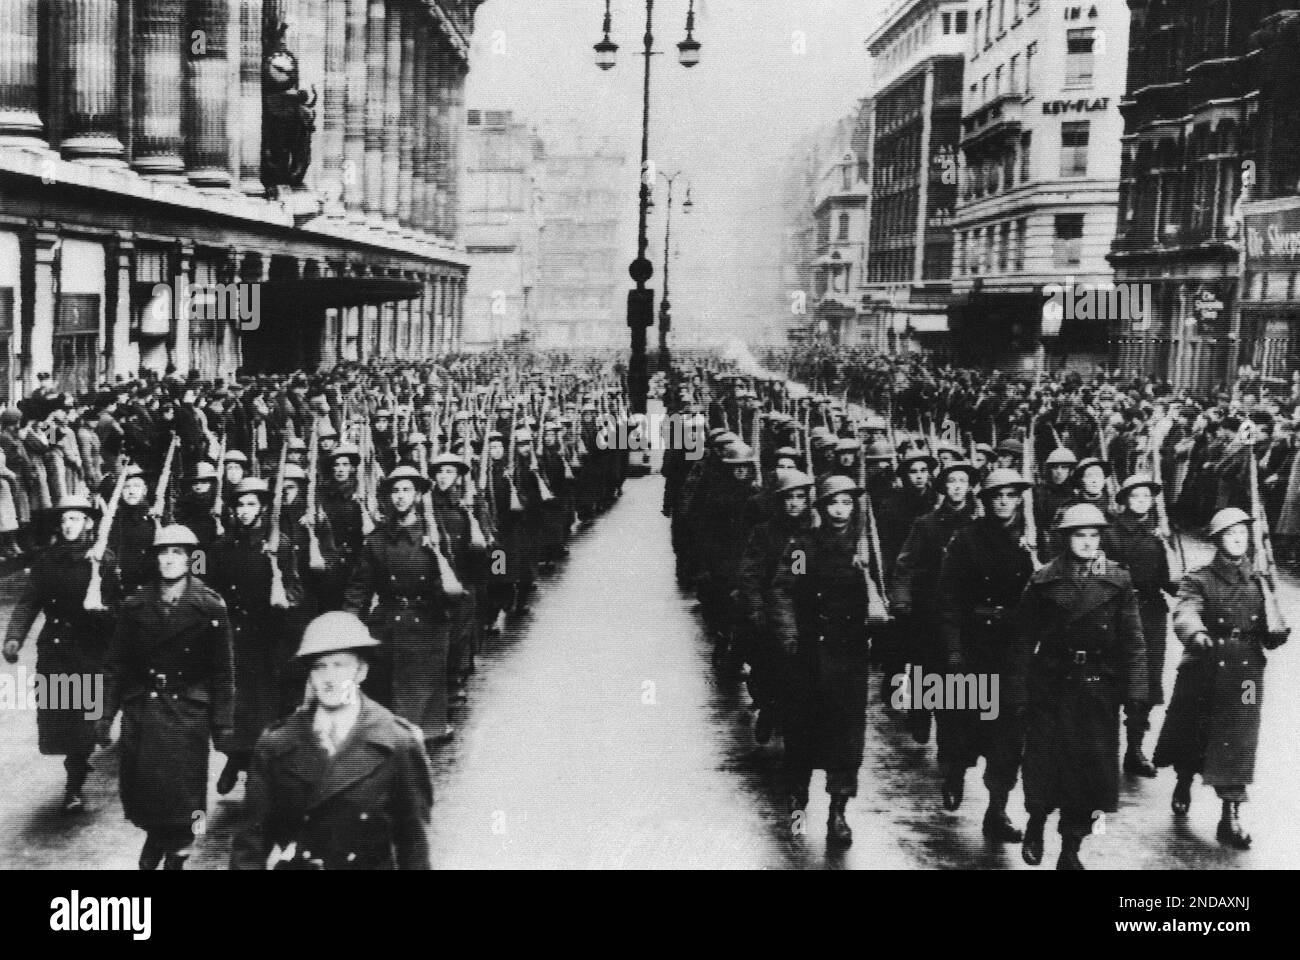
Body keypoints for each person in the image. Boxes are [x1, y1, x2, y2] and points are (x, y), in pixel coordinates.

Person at [230, 611, 434, 870]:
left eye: (340, 665)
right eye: (320, 666)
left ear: (361, 671)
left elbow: (414, 845)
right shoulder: (277, 744)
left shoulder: (396, 743)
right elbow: (250, 843)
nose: (329, 678)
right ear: (310, 677)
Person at [1012, 505, 1148, 870]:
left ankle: (1071, 845)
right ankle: (1036, 821)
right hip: (1052, 684)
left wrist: (1136, 693)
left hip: (1098, 687)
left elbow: (1133, 642)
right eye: (1079, 535)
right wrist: (1019, 691)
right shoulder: (1043, 581)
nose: (1088, 543)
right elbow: (1023, 639)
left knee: (1090, 771)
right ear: (1065, 539)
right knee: (1043, 762)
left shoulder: (1118, 581)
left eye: (1094, 535)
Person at [97, 524, 235, 869]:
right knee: (142, 790)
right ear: (155, 558)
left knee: (183, 793)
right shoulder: (135, 606)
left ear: (190, 559)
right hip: (144, 708)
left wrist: (222, 724)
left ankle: (177, 851)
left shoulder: (210, 607)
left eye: (178, 553)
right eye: (163, 552)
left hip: (187, 711)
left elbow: (223, 672)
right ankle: (156, 837)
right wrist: (104, 714)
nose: (170, 559)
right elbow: (116, 665)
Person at [1153, 507, 1289, 849]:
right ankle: (1184, 780)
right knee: (1193, 730)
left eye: (1243, 533)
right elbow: (1185, 610)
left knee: (1240, 736)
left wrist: (1277, 629)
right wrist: (1195, 634)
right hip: (1206, 664)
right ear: (1217, 541)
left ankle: (1230, 815)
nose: (1238, 540)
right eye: (1231, 534)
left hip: (1246, 675)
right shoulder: (1199, 578)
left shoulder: (1259, 578)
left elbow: (1273, 625)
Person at [933, 468, 1036, 836]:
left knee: (1008, 736)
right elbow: (947, 599)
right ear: (986, 501)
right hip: (971, 645)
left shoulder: (1031, 542)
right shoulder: (965, 540)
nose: (1005, 501)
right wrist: (954, 649)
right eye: (998, 496)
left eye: (1012, 495)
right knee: (959, 722)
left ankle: (997, 811)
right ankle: (954, 774)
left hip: (1011, 650)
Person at [3, 495, 121, 812]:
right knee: (61, 722)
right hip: (56, 650)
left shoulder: (103, 560)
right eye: (65, 519)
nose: (69, 525)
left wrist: (103, 611)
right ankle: (77, 767)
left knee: (84, 725)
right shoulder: (46, 560)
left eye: (76, 519)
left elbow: (119, 609)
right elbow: (29, 601)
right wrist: (14, 637)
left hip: (91, 649)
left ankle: (74, 783)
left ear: (88, 523)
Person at [772, 474, 871, 845]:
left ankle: (838, 812)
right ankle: (798, 802)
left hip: (850, 655)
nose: (841, 510)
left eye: (847, 503)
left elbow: (886, 593)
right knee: (801, 732)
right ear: (822, 508)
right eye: (834, 503)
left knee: (847, 736)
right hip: (809, 655)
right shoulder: (804, 548)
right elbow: (783, 590)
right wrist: (789, 635)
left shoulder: (865, 547)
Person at [344, 464, 453, 748]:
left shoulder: (435, 535)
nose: (400, 496)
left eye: (407, 490)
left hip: (426, 625)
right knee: (386, 705)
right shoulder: (377, 540)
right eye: (395, 490)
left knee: (418, 710)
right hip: (388, 626)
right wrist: (349, 622)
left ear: (417, 495)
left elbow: (453, 582)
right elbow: (360, 587)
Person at [1101, 474, 1176, 778]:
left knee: (1143, 685)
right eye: (1136, 496)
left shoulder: (1161, 533)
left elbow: (1175, 583)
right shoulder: (1110, 533)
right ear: (1125, 501)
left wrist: (1168, 548)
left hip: (1151, 615)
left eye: (1147, 496)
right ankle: (1105, 751)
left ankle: (1135, 750)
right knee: (1109, 680)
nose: (1142, 501)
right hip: (1115, 614)